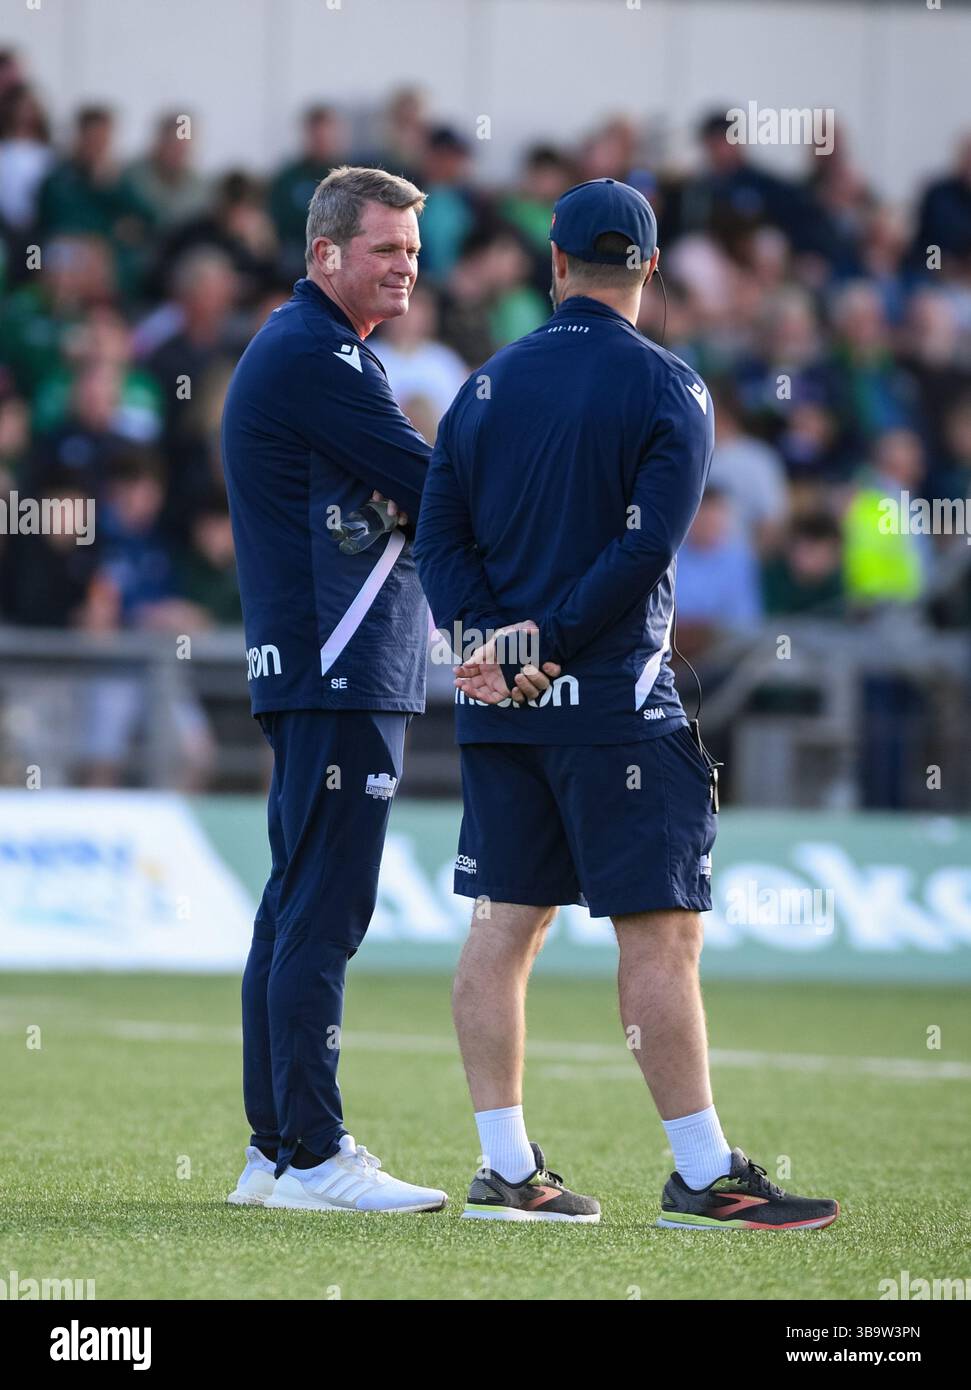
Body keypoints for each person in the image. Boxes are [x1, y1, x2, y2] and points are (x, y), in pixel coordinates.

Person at [414, 177, 840, 1230]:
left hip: (501, 705)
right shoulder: (671, 388)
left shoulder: (482, 386)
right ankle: (700, 1175)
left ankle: (504, 1170)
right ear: (646, 270)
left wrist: (488, 643)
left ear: (551, 265)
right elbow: (644, 547)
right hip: (612, 705)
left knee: (503, 924)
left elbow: (436, 538)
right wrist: (547, 646)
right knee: (657, 935)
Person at [221, 165, 446, 1214]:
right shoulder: (321, 355)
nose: (406, 265)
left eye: (411, 248)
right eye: (385, 248)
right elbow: (433, 488)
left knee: (292, 903)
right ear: (325, 255)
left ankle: (273, 1152)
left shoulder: (313, 348)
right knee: (322, 906)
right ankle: (312, 1152)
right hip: (338, 666)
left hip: (320, 666)